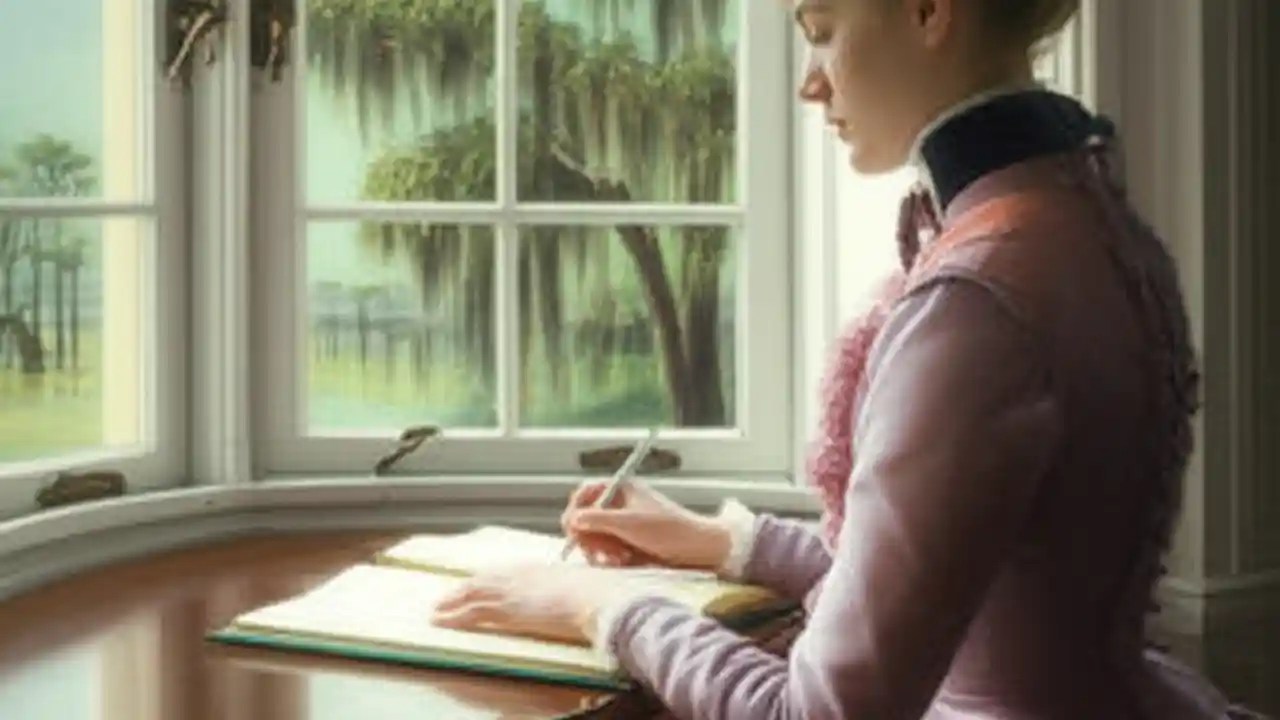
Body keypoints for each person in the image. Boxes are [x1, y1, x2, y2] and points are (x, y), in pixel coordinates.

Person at [433, 1, 1265, 717]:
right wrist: (727, 544)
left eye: (824, 30)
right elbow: (986, 580)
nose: (809, 81)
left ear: (931, 10)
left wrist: (605, 604)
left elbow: (818, 713)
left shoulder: (980, 297)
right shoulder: (1094, 223)